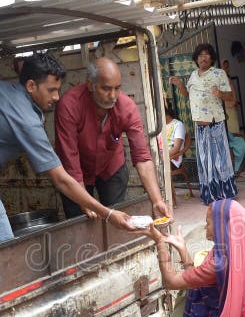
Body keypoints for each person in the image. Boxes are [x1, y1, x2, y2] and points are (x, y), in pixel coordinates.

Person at [0, 52, 135, 252]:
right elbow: (61, 179)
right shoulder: (27, 120)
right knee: (6, 257)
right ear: (31, 86)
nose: (56, 97)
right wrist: (107, 213)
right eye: (52, 90)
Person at [55, 57, 169, 220]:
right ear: (90, 85)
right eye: (106, 88)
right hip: (76, 173)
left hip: (111, 168)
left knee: (115, 218)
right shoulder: (69, 105)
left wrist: (157, 201)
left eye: (117, 88)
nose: (113, 95)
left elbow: (142, 157)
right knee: (79, 220)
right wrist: (85, 201)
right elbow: (70, 162)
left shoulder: (127, 106)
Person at [169, 44, 238, 205]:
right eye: (200, 55)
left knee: (220, 161)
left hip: (215, 125)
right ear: (196, 59)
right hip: (199, 128)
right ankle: (209, 195)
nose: (203, 58)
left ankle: (225, 194)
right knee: (205, 162)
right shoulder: (193, 75)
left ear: (211, 58)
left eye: (206, 55)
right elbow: (188, 95)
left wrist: (219, 93)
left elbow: (230, 96)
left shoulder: (218, 73)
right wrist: (179, 84)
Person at [163, 106, 187, 170]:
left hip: (172, 160)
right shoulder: (160, 126)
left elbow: (176, 149)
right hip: (162, 158)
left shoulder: (178, 124)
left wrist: (160, 157)